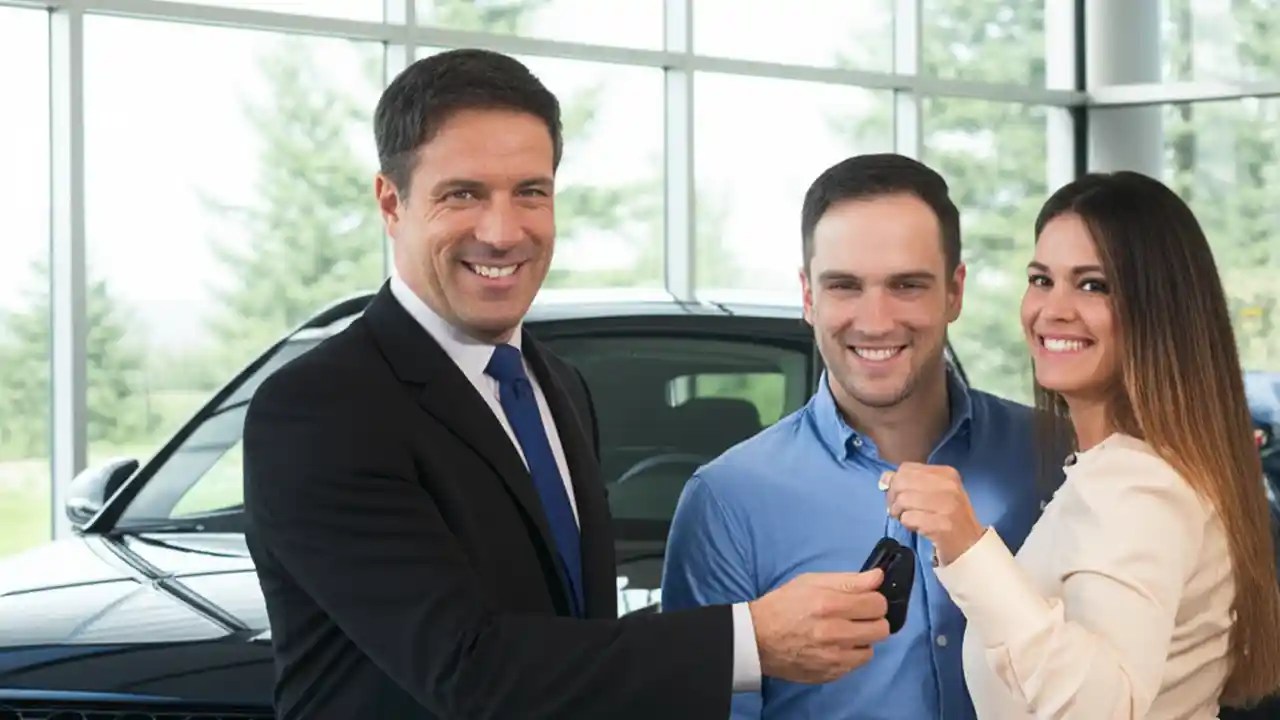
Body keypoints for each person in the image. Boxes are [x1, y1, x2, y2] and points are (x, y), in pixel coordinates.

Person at [242, 48, 894, 720]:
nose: (503, 232)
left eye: (530, 191)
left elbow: (581, 645)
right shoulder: (322, 408)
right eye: (462, 194)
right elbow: (471, 669)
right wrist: (750, 640)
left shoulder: (556, 385)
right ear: (391, 202)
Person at [660, 153, 1048, 719]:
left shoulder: (1052, 456)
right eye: (844, 286)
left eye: (907, 285)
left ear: (955, 292)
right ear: (808, 296)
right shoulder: (728, 501)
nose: (875, 321)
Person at [889, 170, 1280, 718]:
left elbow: (1100, 708)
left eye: (1093, 284)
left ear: (1158, 310)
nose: (1053, 310)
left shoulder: (1137, 485)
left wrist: (969, 548)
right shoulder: (1123, 470)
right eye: (1042, 279)